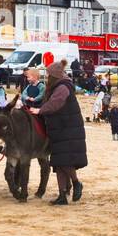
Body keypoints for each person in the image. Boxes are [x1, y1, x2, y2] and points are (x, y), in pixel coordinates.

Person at [28, 61, 87, 205]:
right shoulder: (58, 85)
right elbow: (49, 101)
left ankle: (76, 182)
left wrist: (40, 110)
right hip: (60, 129)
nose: (47, 77)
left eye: (48, 75)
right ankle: (62, 196)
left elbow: (55, 103)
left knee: (64, 160)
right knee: (58, 162)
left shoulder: (62, 87)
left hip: (68, 129)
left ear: (54, 75)